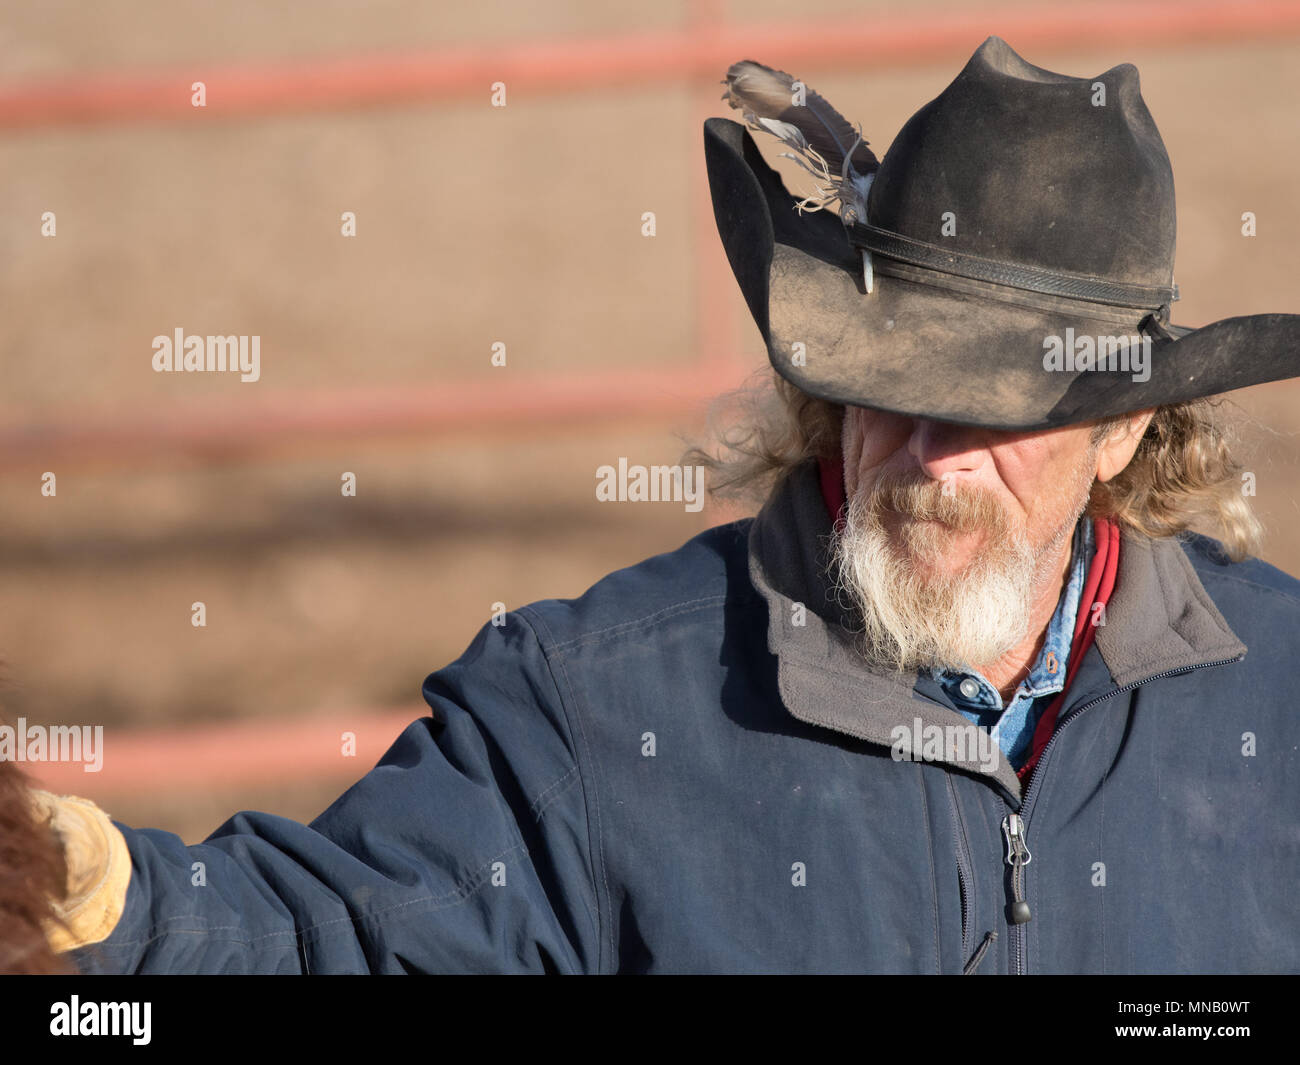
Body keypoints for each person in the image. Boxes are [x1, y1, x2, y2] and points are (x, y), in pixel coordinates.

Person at [35, 37, 1300, 974]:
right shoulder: (597, 711)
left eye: (1001, 406)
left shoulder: (1276, 704)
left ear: (1126, 425)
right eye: (892, 385)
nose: (932, 452)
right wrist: (109, 916)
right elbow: (339, 942)